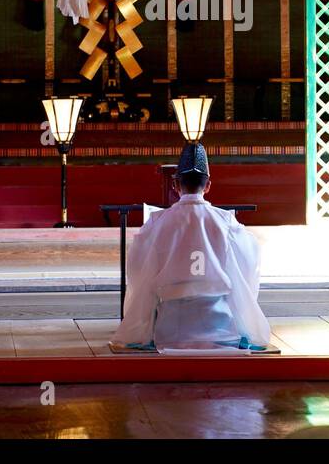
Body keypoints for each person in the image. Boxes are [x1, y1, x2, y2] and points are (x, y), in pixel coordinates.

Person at [111, 142, 272, 351]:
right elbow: (249, 262)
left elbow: (137, 268)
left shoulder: (157, 222)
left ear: (175, 185)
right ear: (208, 186)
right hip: (220, 324)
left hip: (170, 327)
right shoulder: (226, 222)